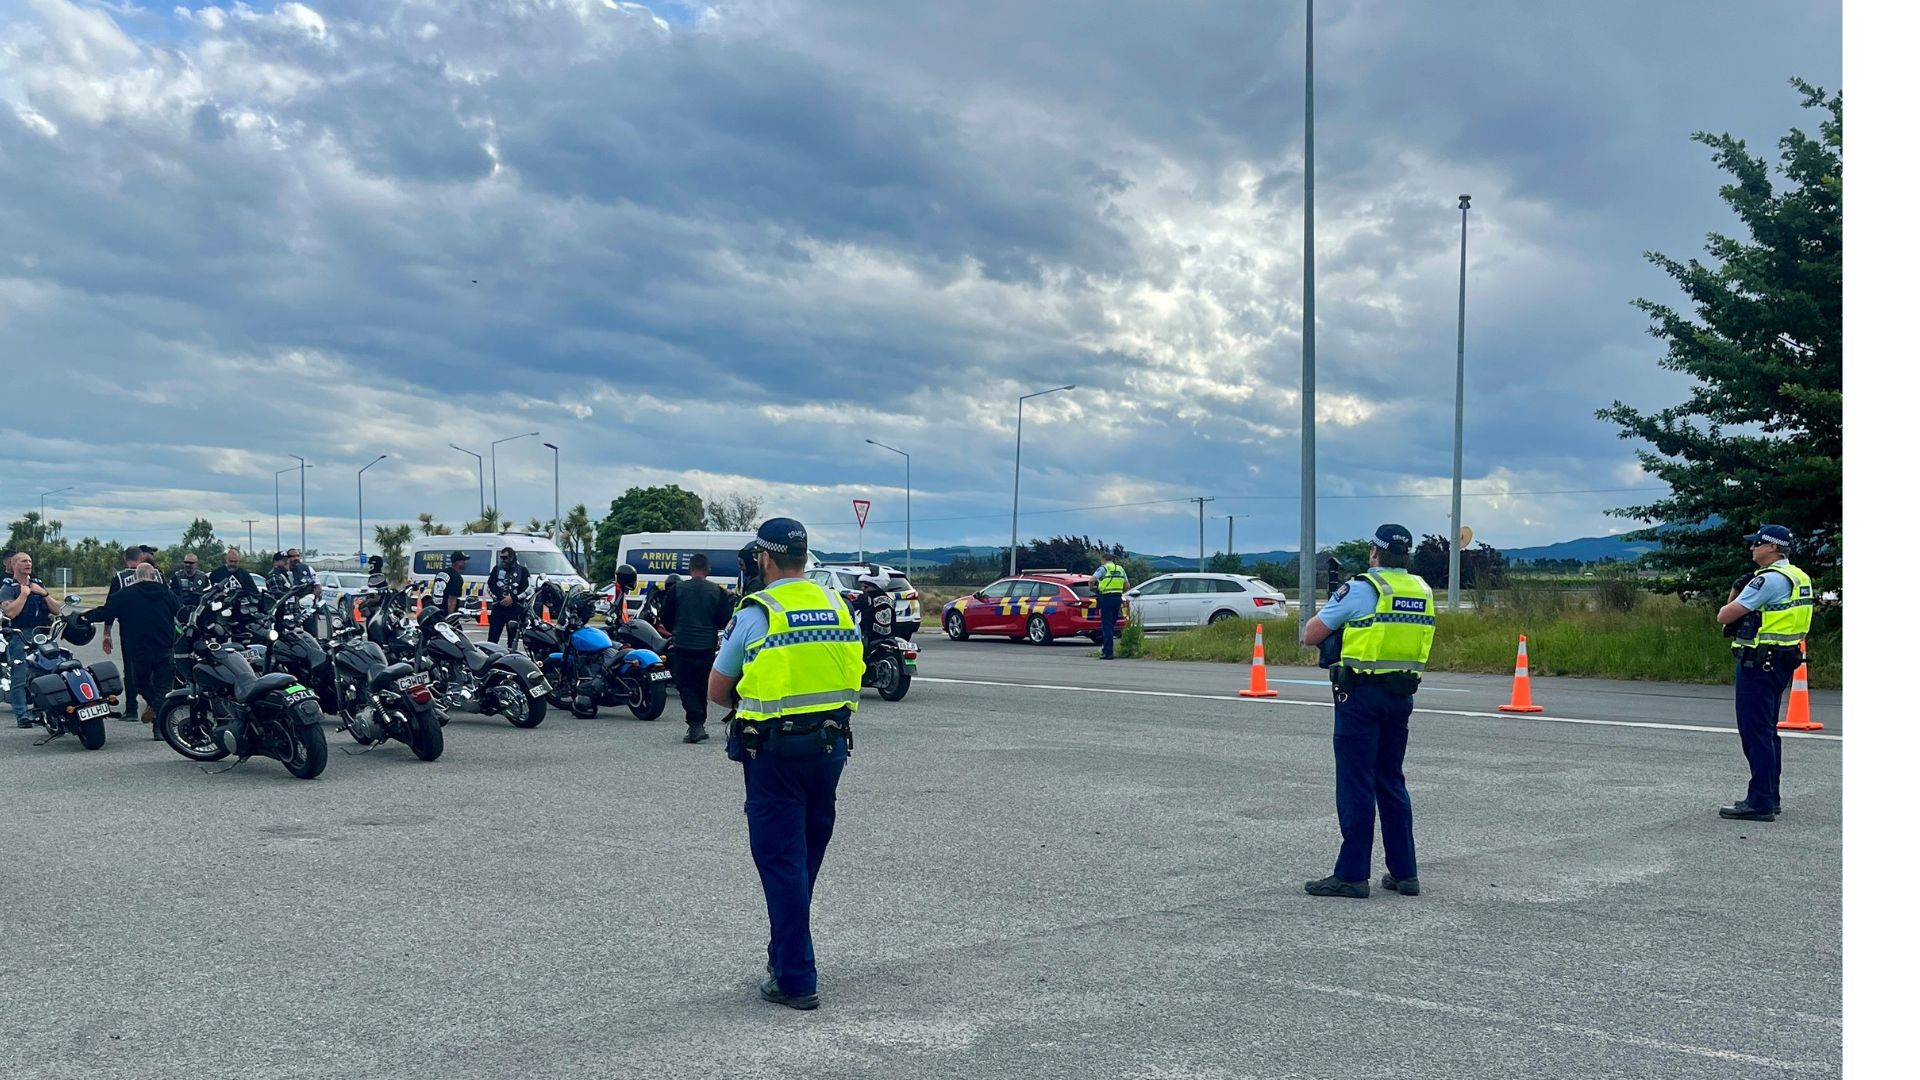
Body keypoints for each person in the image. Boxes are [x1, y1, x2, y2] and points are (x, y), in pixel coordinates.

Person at [708, 518, 863, 1010]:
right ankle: (785, 953)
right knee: (803, 858)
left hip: (773, 753)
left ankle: (795, 977)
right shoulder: (837, 603)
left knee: (781, 863)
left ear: (764, 559)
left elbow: (716, 691)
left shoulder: (758, 611)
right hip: (830, 748)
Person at [1299, 524, 1434, 899]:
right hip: (1401, 694)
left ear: (1374, 553)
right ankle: (1405, 873)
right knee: (1391, 781)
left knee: (1356, 784)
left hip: (1359, 695)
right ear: (1405, 555)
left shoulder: (1361, 588)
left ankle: (1352, 875)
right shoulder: (1421, 591)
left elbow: (1311, 634)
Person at [1714, 524, 1815, 822]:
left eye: (1756, 543)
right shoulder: (1798, 576)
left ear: (1772, 547)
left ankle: (1759, 802)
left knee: (1755, 732)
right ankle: (1770, 795)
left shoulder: (1769, 580)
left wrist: (1736, 589)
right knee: (1768, 732)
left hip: (1758, 662)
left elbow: (1725, 615)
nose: (1751, 548)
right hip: (1781, 660)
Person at [84, 564, 182, 740]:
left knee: (141, 684)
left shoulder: (125, 595)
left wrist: (83, 616)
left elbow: (106, 612)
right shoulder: (167, 594)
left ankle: (157, 716)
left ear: (136, 576)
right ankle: (160, 723)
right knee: (163, 688)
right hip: (164, 648)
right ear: (154, 576)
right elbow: (182, 612)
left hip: (138, 651)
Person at [661, 553, 732, 744]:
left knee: (685, 685)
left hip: (683, 643)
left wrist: (676, 629)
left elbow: (665, 616)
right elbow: (725, 619)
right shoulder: (716, 591)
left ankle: (695, 723)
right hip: (706, 645)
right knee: (701, 685)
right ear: (708, 569)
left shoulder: (677, 589)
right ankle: (698, 722)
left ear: (689, 569)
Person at [3, 552, 63, 727]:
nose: (28, 563)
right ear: (14, 565)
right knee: (20, 675)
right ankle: (22, 715)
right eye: (23, 561)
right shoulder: (8, 588)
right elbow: (11, 612)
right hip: (21, 633)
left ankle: (47, 711)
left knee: (50, 671)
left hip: (43, 632)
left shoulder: (38, 585)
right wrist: (23, 595)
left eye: (29, 560)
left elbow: (57, 610)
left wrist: (43, 593)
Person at [102, 545, 152, 718]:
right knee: (154, 666)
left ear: (125, 559)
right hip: (154, 628)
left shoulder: (120, 578)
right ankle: (155, 702)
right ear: (142, 558)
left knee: (130, 668)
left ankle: (131, 708)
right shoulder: (155, 574)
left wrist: (106, 633)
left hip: (130, 628)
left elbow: (110, 607)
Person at [486, 546, 532, 645]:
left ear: (512, 558)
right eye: (501, 558)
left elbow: (528, 589)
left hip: (515, 608)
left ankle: (512, 656)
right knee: (493, 637)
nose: (503, 560)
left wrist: (513, 598)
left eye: (505, 558)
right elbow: (489, 586)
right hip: (499, 607)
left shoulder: (522, 570)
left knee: (513, 639)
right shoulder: (496, 569)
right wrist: (499, 598)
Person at [1092, 551, 1129, 659]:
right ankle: (1106, 649)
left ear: (1103, 559)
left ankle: (1108, 652)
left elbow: (1092, 580)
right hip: (1117, 598)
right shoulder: (1120, 569)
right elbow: (1127, 585)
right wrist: (1118, 591)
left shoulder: (1103, 568)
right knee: (1112, 625)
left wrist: (1093, 588)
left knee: (1107, 626)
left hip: (1106, 598)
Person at [427, 552, 469, 622]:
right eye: (463, 561)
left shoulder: (441, 573)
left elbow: (433, 591)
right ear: (458, 562)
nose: (465, 563)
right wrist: (450, 617)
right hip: (445, 612)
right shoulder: (456, 577)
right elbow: (452, 599)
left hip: (434, 610)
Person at [735, 542, 765, 607]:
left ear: (749, 563)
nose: (739, 567)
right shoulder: (749, 578)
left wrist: (730, 596)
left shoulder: (757, 584)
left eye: (741, 564)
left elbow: (745, 604)